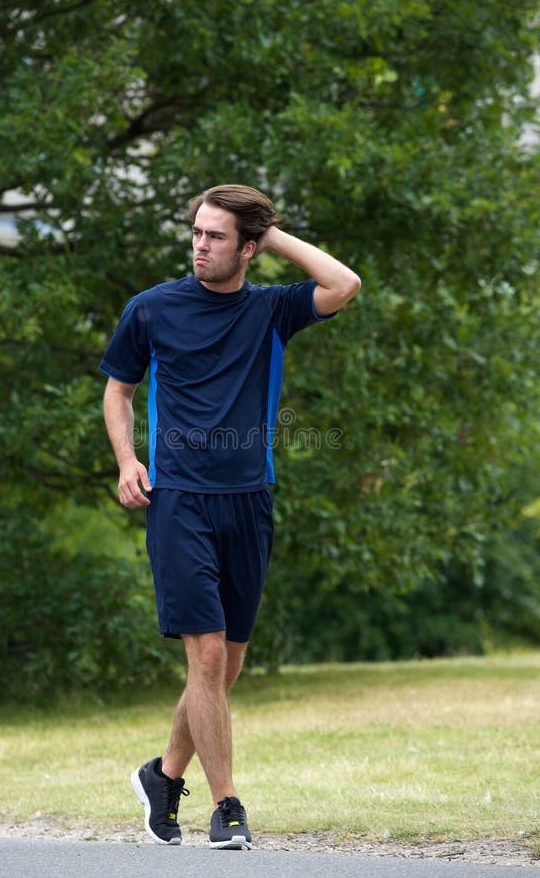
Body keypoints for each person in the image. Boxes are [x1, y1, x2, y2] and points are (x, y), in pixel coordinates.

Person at [99, 184, 360, 850]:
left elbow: (344, 282)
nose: (199, 245)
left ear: (246, 247)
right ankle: (227, 807)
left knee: (223, 666)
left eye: (215, 236)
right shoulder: (151, 309)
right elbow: (118, 392)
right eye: (195, 232)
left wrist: (271, 233)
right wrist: (128, 461)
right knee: (208, 656)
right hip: (179, 499)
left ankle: (163, 776)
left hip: (250, 500)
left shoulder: (272, 310)